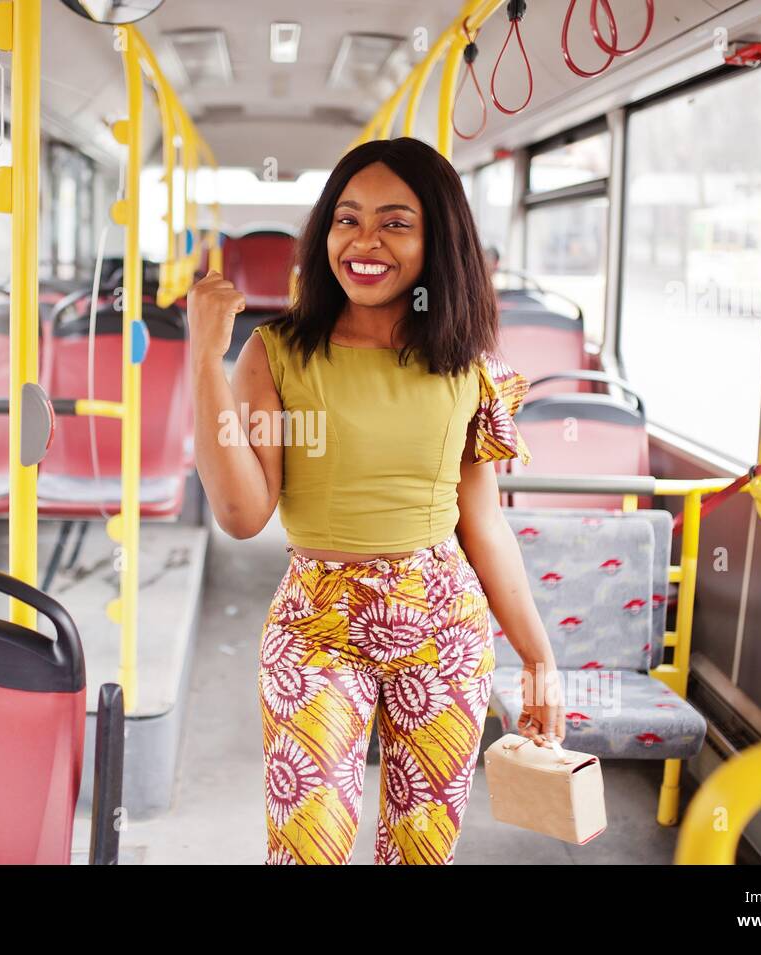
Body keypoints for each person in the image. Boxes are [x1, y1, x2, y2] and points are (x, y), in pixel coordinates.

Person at [187, 136, 563, 866]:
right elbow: (241, 514)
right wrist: (205, 358)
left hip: (444, 625)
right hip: (316, 627)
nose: (364, 241)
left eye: (396, 222)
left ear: (438, 241)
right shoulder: (278, 351)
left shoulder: (467, 367)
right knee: (309, 847)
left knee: (421, 851)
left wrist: (539, 656)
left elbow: (482, 523)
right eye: (347, 218)